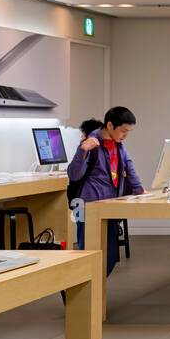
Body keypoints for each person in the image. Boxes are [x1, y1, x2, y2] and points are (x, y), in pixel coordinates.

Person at [68, 106, 143, 277]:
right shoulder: (91, 143)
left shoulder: (118, 145)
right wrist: (83, 150)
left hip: (108, 206)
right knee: (87, 253)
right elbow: (73, 174)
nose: (125, 135)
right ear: (110, 125)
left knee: (110, 257)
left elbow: (129, 168)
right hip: (85, 205)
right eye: (123, 131)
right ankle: (77, 294)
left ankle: (86, 293)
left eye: (128, 131)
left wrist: (140, 190)